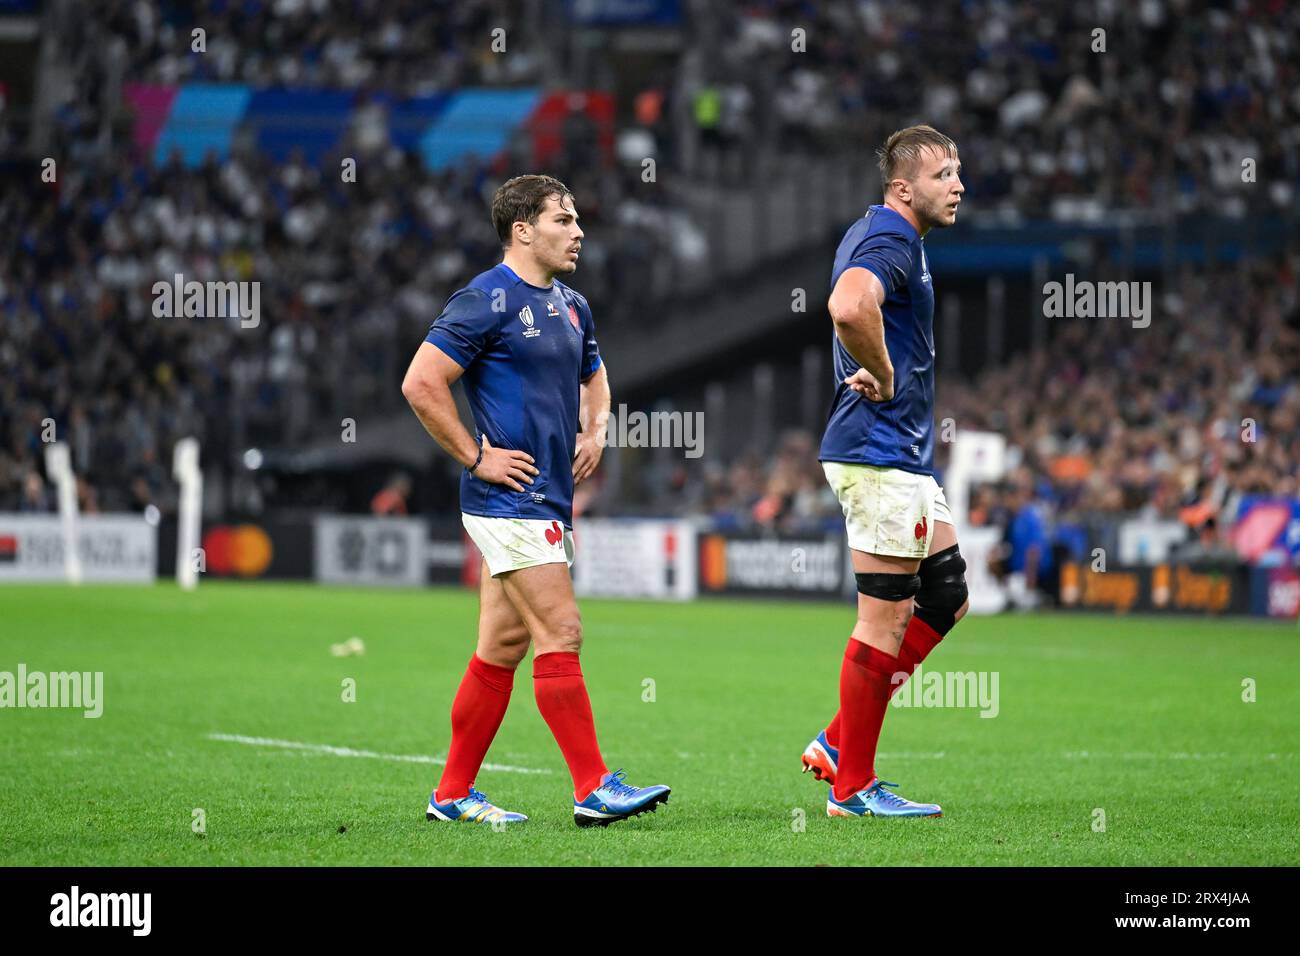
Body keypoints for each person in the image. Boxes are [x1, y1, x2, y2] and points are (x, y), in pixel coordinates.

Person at [400, 174, 670, 827]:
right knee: (563, 630)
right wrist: (475, 456)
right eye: (563, 220)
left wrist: (597, 428)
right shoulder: (484, 299)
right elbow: (421, 382)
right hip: (508, 496)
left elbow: (595, 374)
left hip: (546, 499)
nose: (578, 232)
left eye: (576, 221)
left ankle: (452, 795)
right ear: (523, 230)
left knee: (503, 645)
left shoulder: (574, 305)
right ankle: (593, 787)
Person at [802, 126, 971, 818]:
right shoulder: (892, 238)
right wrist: (885, 370)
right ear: (904, 188)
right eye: (943, 174)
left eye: (960, 172)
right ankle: (852, 788)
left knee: (946, 596)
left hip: (899, 456)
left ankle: (841, 743)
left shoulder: (892, 237)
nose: (958, 184)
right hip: (877, 453)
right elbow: (847, 306)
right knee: (884, 619)